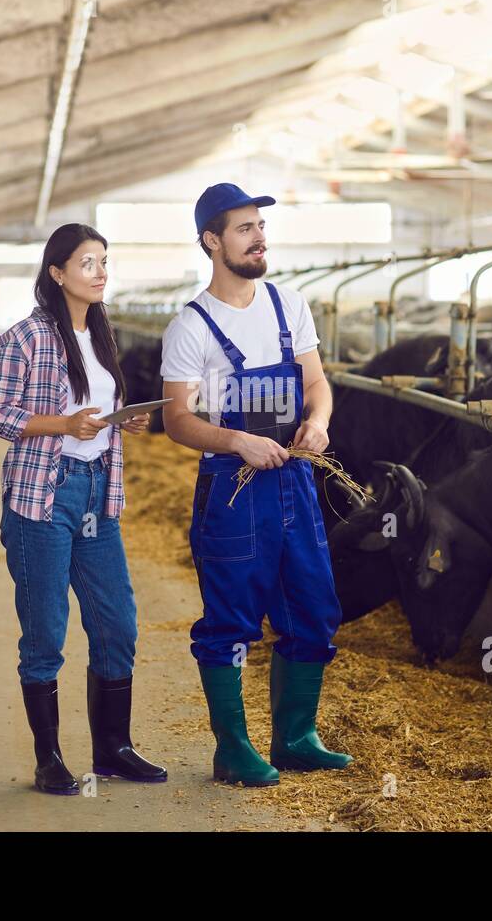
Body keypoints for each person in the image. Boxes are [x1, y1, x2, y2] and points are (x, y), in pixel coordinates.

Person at [159, 184, 353, 787]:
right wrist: (238, 441)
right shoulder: (190, 327)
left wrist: (317, 422)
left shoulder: (287, 304)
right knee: (231, 620)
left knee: (314, 609)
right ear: (211, 242)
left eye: (260, 226)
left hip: (295, 481)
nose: (259, 237)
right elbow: (177, 420)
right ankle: (233, 749)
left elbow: (317, 384)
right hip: (235, 489)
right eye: (244, 228)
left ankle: (295, 738)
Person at [0, 222, 166, 795]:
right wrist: (63, 425)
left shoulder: (102, 335)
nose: (101, 271)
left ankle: (113, 748)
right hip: (44, 495)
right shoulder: (27, 339)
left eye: (105, 261)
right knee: (46, 630)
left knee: (117, 621)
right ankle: (49, 759)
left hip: (97, 493)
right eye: (88, 263)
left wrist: (124, 421)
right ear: (57, 273)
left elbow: (98, 412)